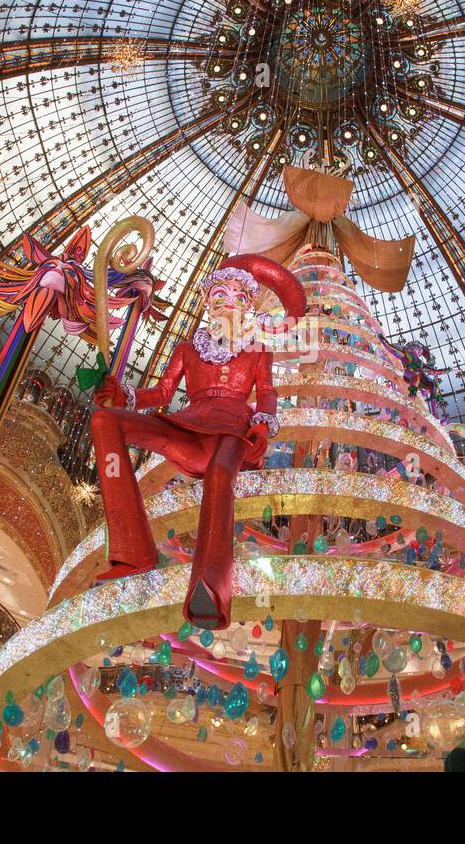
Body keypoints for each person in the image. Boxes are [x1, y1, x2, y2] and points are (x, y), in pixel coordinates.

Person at [91, 254, 306, 629]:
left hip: (235, 431)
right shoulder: (187, 349)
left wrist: (262, 423)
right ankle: (132, 553)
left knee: (221, 476)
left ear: (249, 306)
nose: (227, 304)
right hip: (189, 429)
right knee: (105, 419)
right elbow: (161, 394)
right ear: (208, 303)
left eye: (238, 297)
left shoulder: (257, 350)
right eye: (219, 296)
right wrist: (124, 396)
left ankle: (211, 588)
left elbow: (267, 393)